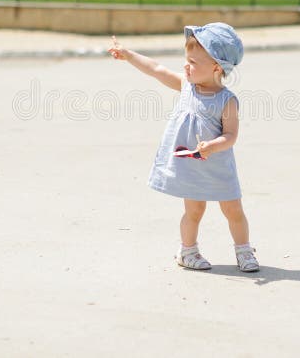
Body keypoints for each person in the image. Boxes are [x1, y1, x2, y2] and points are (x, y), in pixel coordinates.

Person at [108, 22, 259, 272]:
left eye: (193, 62)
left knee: (233, 210)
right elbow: (156, 69)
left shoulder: (227, 100)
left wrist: (213, 145)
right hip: (192, 164)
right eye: (186, 60)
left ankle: (244, 251)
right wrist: (128, 54)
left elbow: (231, 136)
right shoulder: (186, 86)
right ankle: (187, 251)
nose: (186, 66)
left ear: (216, 67)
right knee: (194, 210)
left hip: (219, 165)